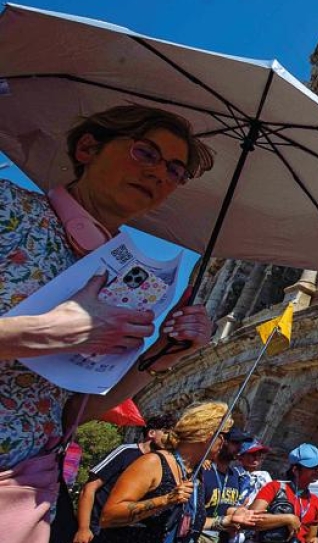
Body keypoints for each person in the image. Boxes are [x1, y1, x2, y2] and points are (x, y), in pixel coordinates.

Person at [0, 105, 216, 543]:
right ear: (87, 148)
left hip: (25, 488)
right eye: (145, 153)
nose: (160, 175)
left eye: (175, 170)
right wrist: (44, 332)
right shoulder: (8, 209)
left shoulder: (130, 277)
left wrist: (162, 356)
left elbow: (76, 410)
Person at [98, 402, 258, 543]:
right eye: (223, 436)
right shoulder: (154, 463)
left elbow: (188, 523)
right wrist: (165, 500)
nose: (224, 443)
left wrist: (226, 521)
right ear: (206, 436)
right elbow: (109, 516)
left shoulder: (196, 473)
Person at [71, 413, 177, 543]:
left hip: (121, 532)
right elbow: (89, 488)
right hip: (97, 529)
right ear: (151, 433)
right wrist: (83, 528)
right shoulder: (126, 452)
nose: (170, 438)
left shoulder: (162, 465)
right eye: (166, 432)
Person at [249, 443, 318, 543]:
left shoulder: (316, 502)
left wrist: (316, 540)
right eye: (312, 466)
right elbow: (250, 519)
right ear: (295, 470)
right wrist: (287, 519)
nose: (317, 470)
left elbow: (309, 537)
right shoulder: (274, 487)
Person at [188, 428, 254, 543]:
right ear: (222, 442)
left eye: (241, 444)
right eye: (235, 443)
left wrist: (237, 512)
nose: (239, 447)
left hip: (221, 537)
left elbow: (224, 505)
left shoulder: (234, 475)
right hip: (197, 536)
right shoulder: (203, 469)